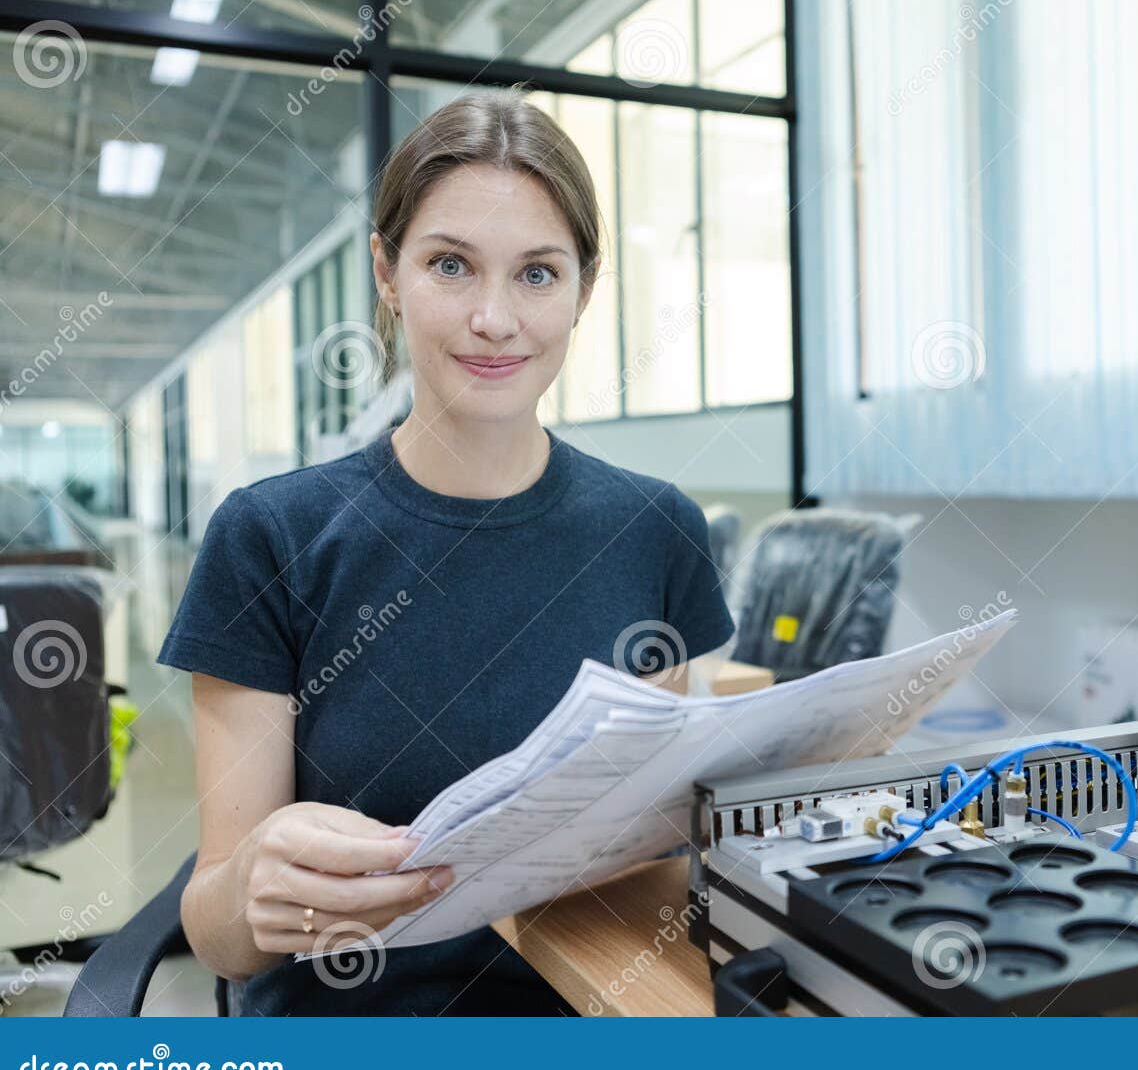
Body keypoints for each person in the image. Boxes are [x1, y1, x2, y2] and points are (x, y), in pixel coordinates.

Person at [159, 89, 734, 1015]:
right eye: (451, 266)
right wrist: (248, 887)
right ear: (387, 274)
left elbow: (648, 847)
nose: (496, 319)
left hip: (601, 1009)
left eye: (538, 273)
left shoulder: (657, 530)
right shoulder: (272, 536)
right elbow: (220, 938)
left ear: (586, 287)